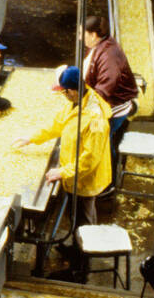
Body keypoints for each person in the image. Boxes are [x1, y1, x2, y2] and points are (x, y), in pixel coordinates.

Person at [13, 65, 111, 227]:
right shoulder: (76, 103)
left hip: (85, 178)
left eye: (64, 91)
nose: (63, 95)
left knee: (84, 216)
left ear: (72, 91)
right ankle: (77, 244)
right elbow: (57, 125)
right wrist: (31, 138)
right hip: (74, 172)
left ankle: (83, 250)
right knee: (78, 212)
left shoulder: (95, 120)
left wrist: (62, 171)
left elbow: (89, 161)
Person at [82, 14, 140, 191]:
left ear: (93, 35)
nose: (79, 37)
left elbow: (105, 89)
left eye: (81, 33)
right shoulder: (99, 45)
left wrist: (83, 108)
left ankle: (108, 184)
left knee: (101, 140)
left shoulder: (109, 55)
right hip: (106, 102)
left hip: (114, 107)